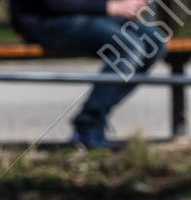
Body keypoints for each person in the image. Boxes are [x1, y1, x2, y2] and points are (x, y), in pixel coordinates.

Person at [10, 0, 170, 150]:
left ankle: (95, 120)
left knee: (153, 41)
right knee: (129, 47)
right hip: (46, 21)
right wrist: (110, 7)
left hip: (90, 15)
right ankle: (87, 127)